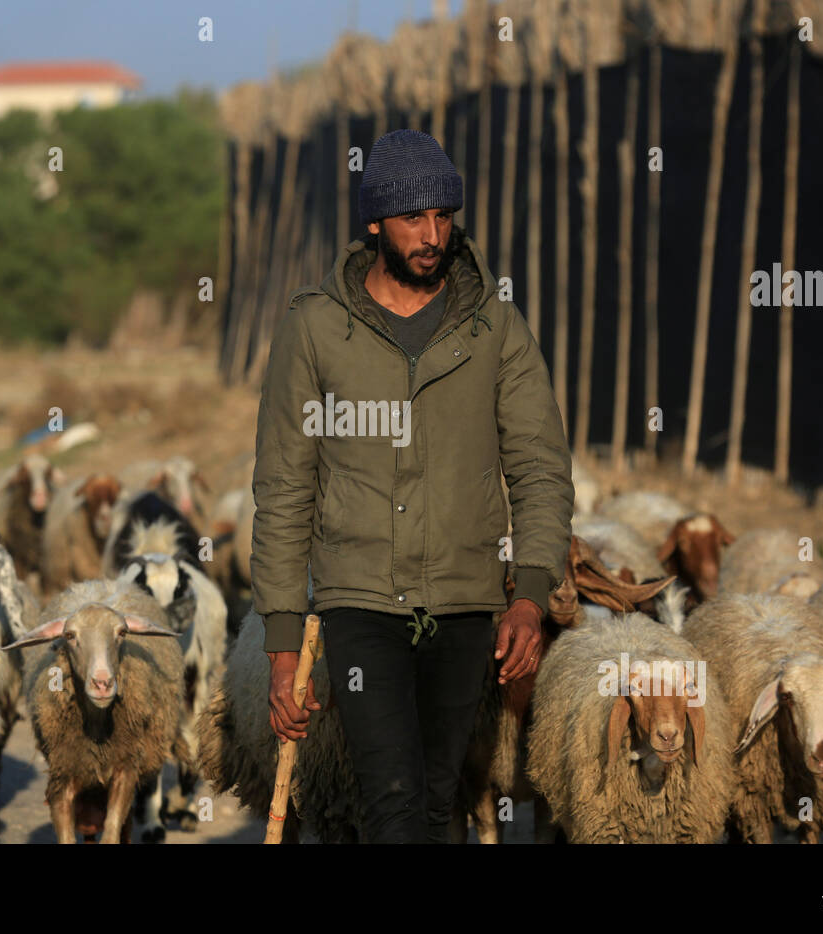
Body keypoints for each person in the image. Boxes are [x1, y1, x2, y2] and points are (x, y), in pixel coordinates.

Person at [251, 128, 575, 843]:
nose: (433, 235)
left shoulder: (495, 326)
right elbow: (283, 486)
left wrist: (528, 594)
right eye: (413, 219)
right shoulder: (314, 328)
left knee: (436, 802)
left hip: (466, 604)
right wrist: (280, 646)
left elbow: (539, 465)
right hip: (359, 600)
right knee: (392, 800)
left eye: (443, 216)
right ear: (374, 224)